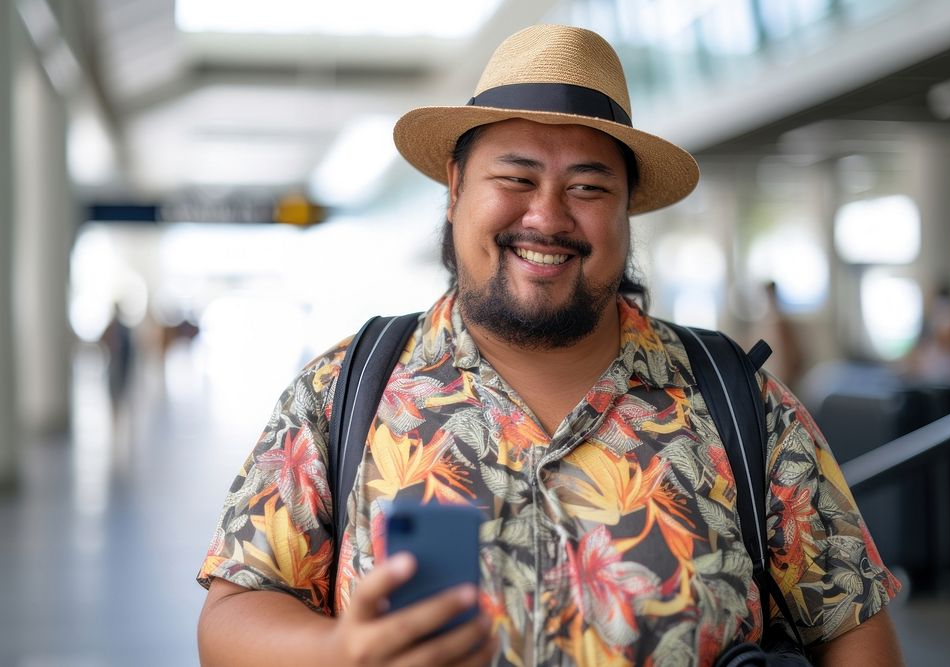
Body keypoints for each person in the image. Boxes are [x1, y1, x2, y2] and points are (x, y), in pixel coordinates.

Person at [196, 24, 903, 666]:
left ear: (627, 211)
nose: (547, 215)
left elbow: (854, 630)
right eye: (516, 177)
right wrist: (341, 649)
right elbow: (231, 615)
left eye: (589, 186)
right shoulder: (342, 395)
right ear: (455, 188)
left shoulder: (743, 408)